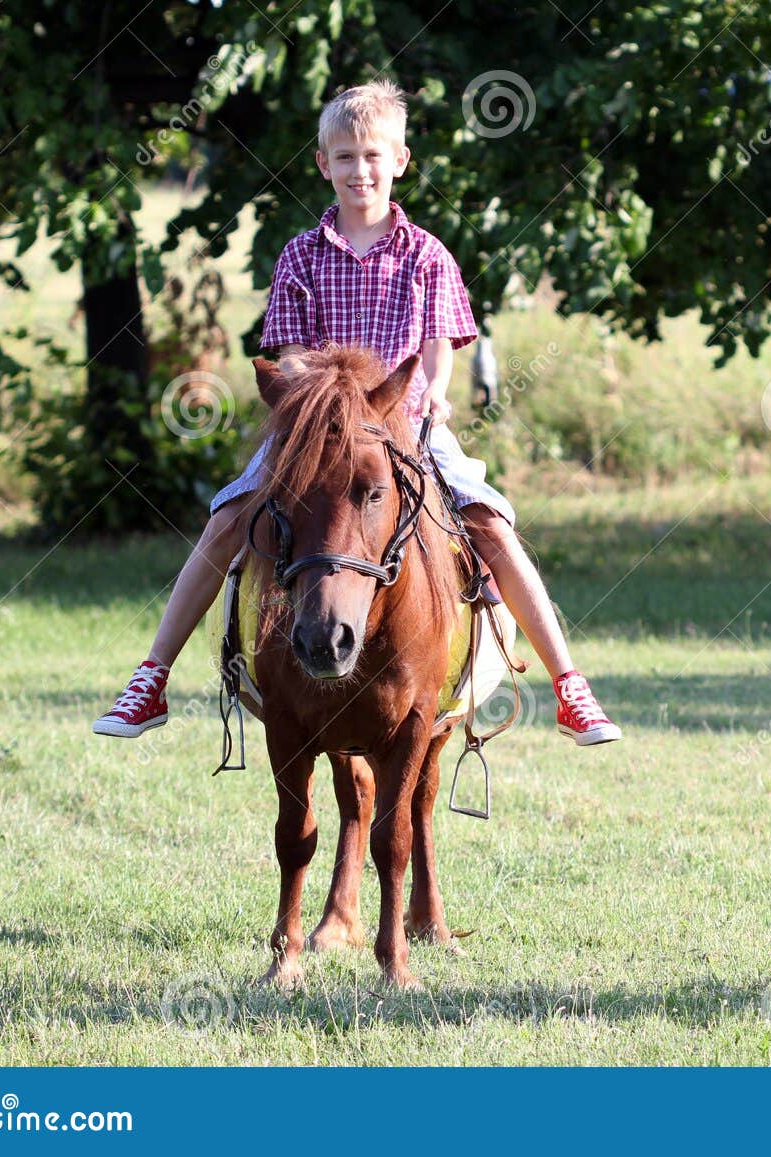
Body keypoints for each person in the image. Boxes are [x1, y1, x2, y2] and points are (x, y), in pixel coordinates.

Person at [94, 79, 622, 747]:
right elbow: (289, 363)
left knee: (488, 521)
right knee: (229, 515)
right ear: (323, 165)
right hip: (318, 433)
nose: (359, 170)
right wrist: (314, 404)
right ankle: (152, 676)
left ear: (399, 159)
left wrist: (431, 392)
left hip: (404, 428)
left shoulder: (427, 256)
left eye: (373, 155)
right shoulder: (300, 258)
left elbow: (438, 354)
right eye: (343, 157)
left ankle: (570, 684)